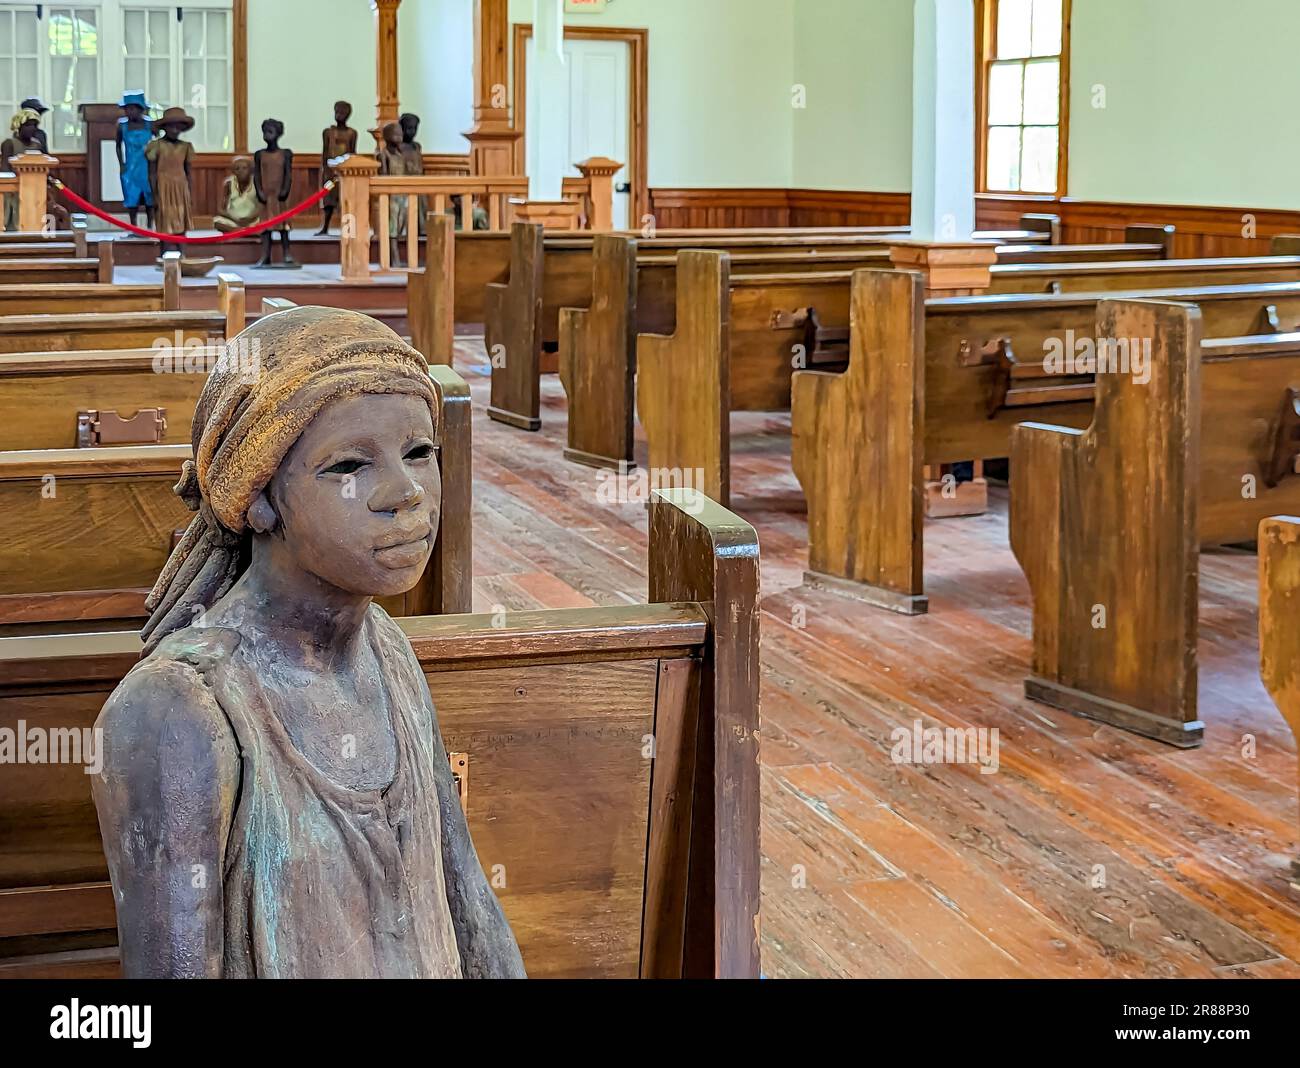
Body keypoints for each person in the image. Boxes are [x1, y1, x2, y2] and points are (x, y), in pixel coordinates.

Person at [91, 307, 527, 980]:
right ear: (258, 495)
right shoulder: (179, 713)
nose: (407, 493)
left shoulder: (389, 654)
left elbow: (467, 899)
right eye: (350, 465)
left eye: (420, 453)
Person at [144, 106, 195, 256]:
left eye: (178, 126)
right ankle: (164, 254)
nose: (175, 129)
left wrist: (190, 193)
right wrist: (154, 194)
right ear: (165, 127)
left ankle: (182, 253)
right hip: (163, 187)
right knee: (164, 219)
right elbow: (152, 173)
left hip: (181, 187)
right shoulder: (156, 146)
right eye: (171, 125)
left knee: (181, 219)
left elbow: (188, 172)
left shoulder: (186, 147)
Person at [253, 118, 295, 267]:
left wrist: (285, 190)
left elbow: (288, 174)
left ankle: (287, 254)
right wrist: (259, 191)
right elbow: (257, 174)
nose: (267, 135)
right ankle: (265, 255)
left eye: (270, 131)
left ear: (278, 134)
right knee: (265, 227)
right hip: (266, 196)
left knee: (284, 226)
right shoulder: (259, 154)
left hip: (280, 195)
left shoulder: (285, 154)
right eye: (265, 131)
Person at [377, 120, 417, 267]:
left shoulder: (400, 155)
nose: (400, 137)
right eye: (396, 134)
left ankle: (403, 258)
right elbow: (383, 176)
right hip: (390, 196)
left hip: (403, 194)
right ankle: (394, 259)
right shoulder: (383, 154)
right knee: (391, 229)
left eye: (400, 134)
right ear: (387, 136)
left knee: (402, 227)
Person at [115, 91, 154, 229]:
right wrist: (121, 164)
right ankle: (133, 225)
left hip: (147, 166)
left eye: (132, 108)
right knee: (131, 197)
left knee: (150, 196)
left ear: (140, 108)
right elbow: (118, 146)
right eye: (127, 108)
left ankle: (150, 225)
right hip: (130, 166)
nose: (129, 112)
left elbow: (159, 142)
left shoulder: (150, 125)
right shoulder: (122, 126)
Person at [316, 100, 356, 235]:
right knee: (328, 202)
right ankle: (325, 226)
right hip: (329, 171)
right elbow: (325, 153)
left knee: (346, 201)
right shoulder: (328, 132)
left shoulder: (352, 133)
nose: (339, 115)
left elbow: (352, 153)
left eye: (343, 113)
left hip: (346, 171)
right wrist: (325, 170)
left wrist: (351, 171)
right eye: (337, 112)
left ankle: (347, 228)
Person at [0, 108, 43, 231]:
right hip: (12, 189)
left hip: (33, 189)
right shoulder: (9, 143)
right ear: (19, 126)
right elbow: (5, 169)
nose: (32, 128)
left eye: (35, 125)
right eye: (28, 125)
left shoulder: (37, 144)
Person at [213, 155, 259, 233]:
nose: (241, 171)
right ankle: (245, 232)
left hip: (252, 219)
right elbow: (220, 209)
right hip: (233, 220)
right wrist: (235, 219)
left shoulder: (257, 182)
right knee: (217, 222)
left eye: (244, 168)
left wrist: (250, 218)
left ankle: (239, 232)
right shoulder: (228, 183)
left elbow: (262, 206)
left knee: (265, 222)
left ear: (251, 170)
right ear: (233, 171)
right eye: (237, 168)